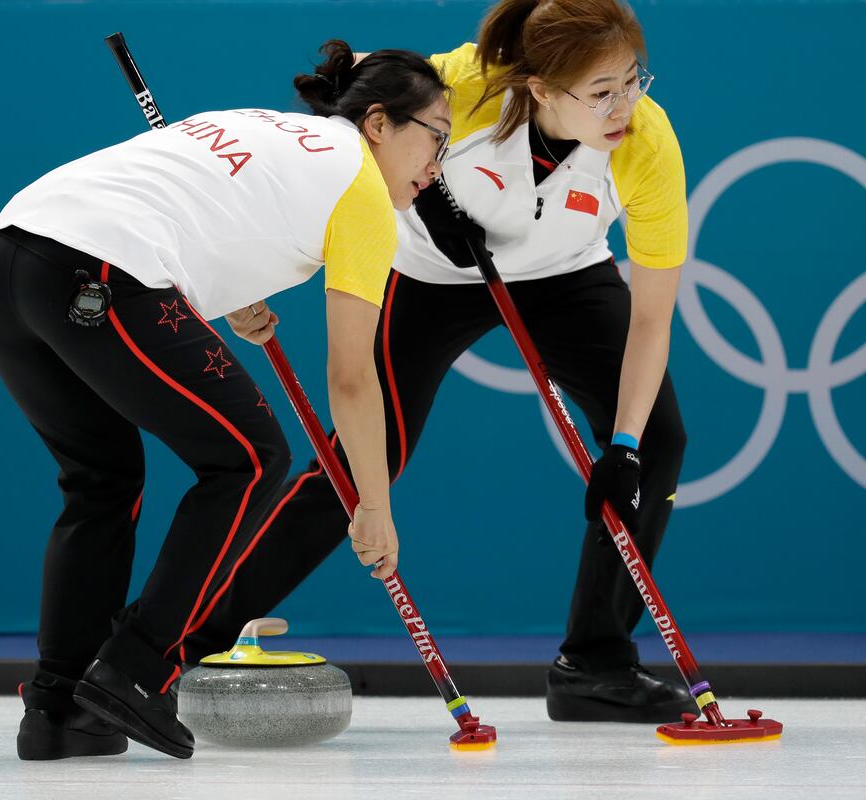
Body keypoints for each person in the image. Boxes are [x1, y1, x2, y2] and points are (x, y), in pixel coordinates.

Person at [191, 0, 692, 723]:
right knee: (362, 463)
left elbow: (651, 317)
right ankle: (185, 645)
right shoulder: (472, 83)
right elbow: (366, 80)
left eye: (632, 80)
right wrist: (426, 208)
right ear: (540, 87)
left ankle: (595, 664)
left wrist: (622, 446)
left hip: (568, 277)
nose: (626, 106)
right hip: (430, 275)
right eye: (602, 91)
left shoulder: (647, 143)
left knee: (656, 442)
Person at [0, 42, 449, 760]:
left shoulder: (262, 125)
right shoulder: (363, 194)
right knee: (253, 459)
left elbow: (200, 210)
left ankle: (61, 710)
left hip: (7, 262)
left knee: (101, 480)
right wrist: (372, 506)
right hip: (99, 271)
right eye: (437, 136)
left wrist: (223, 296)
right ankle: (136, 671)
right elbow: (352, 378)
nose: (438, 166)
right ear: (378, 123)